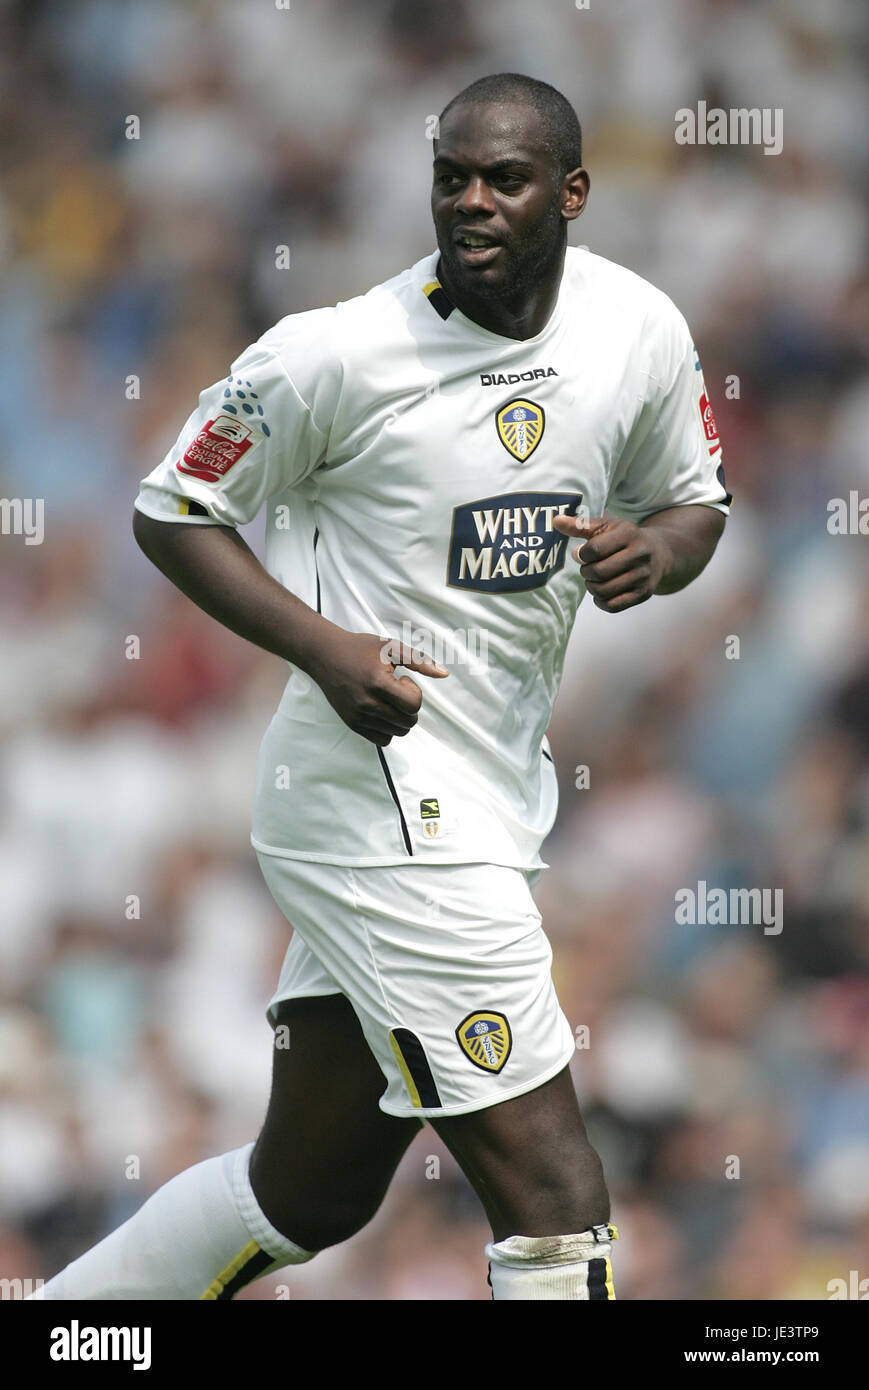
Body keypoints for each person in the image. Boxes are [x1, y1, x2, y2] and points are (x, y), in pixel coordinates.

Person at [35, 72, 729, 1302]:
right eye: (449, 177)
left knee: (304, 1193)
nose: (470, 202)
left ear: (569, 193)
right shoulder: (335, 355)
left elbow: (696, 502)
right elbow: (172, 509)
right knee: (557, 1197)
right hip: (380, 804)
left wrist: (657, 551)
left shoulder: (637, 327)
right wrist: (323, 645)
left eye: (503, 180)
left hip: (488, 793)